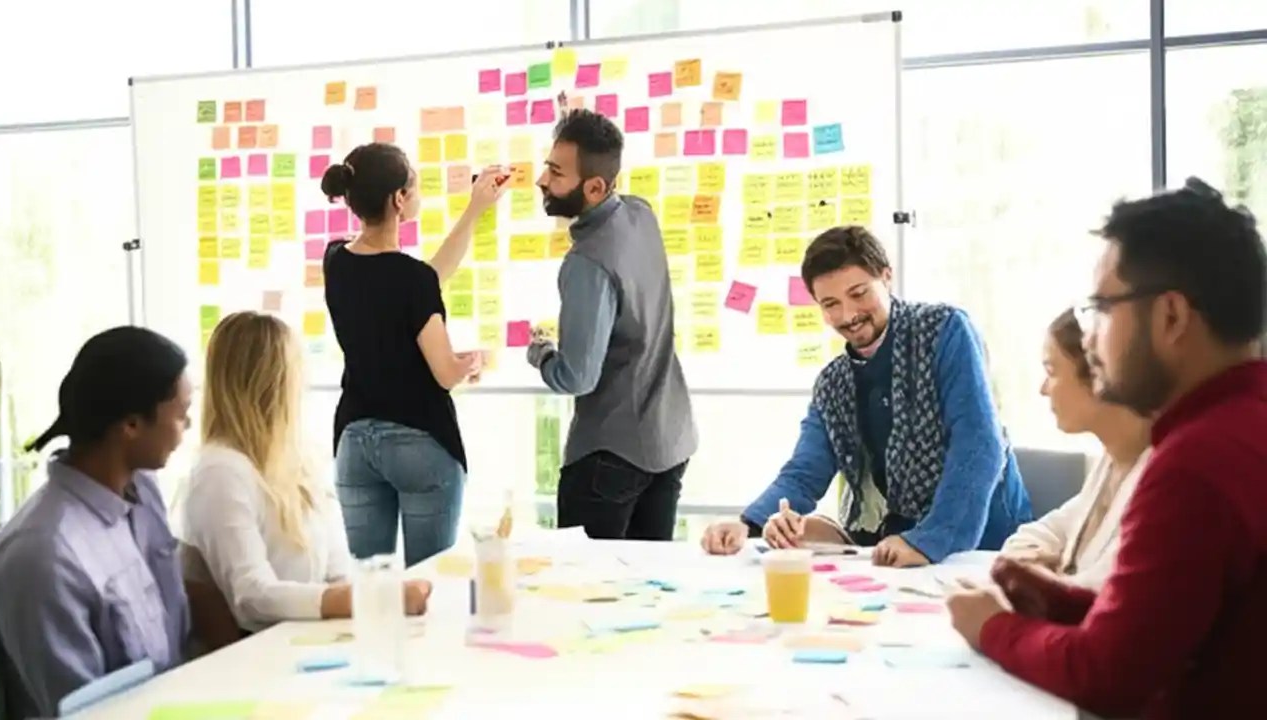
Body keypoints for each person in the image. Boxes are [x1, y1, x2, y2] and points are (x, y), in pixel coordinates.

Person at [946, 179, 1267, 719]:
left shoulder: (1196, 463)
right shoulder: (1241, 425)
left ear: (1171, 317)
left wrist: (993, 627)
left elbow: (1107, 675)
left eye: (1102, 308)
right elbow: (1171, 627)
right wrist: (1062, 603)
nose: (1089, 339)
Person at [701, 226, 1032, 567]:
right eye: (830, 304)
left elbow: (978, 445)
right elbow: (804, 472)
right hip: (897, 547)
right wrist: (747, 523)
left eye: (859, 293)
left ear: (886, 278)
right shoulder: (833, 382)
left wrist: (930, 541)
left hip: (985, 545)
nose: (847, 315)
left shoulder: (945, 330)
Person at [179, 311, 433, 634]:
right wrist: (375, 599)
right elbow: (253, 598)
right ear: (275, 383)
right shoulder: (220, 472)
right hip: (258, 658)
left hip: (307, 645)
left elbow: (339, 574)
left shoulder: (297, 465)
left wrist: (372, 598)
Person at [0, 327, 191, 719]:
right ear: (131, 425)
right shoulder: (40, 554)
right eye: (181, 415)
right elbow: (85, 710)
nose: (189, 428)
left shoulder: (143, 494)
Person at [320, 143, 507, 567]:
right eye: (416, 186)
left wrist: (474, 210)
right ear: (399, 199)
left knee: (372, 590)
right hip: (418, 441)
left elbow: (419, 283)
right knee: (430, 584)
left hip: (354, 443)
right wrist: (472, 362)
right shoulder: (411, 280)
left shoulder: (335, 260)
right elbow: (444, 373)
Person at [528, 107, 696, 541]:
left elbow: (577, 377)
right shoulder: (641, 214)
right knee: (644, 594)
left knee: (583, 595)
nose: (542, 181)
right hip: (670, 441)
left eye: (555, 172)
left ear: (595, 187)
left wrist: (542, 354)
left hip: (610, 455)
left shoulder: (587, 263)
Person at [998, 308, 1151, 589]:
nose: (1043, 389)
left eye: (1051, 371)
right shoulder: (1111, 460)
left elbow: (1098, 593)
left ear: (1096, 375)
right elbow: (1035, 535)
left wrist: (1051, 578)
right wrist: (1033, 564)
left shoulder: (1155, 472)